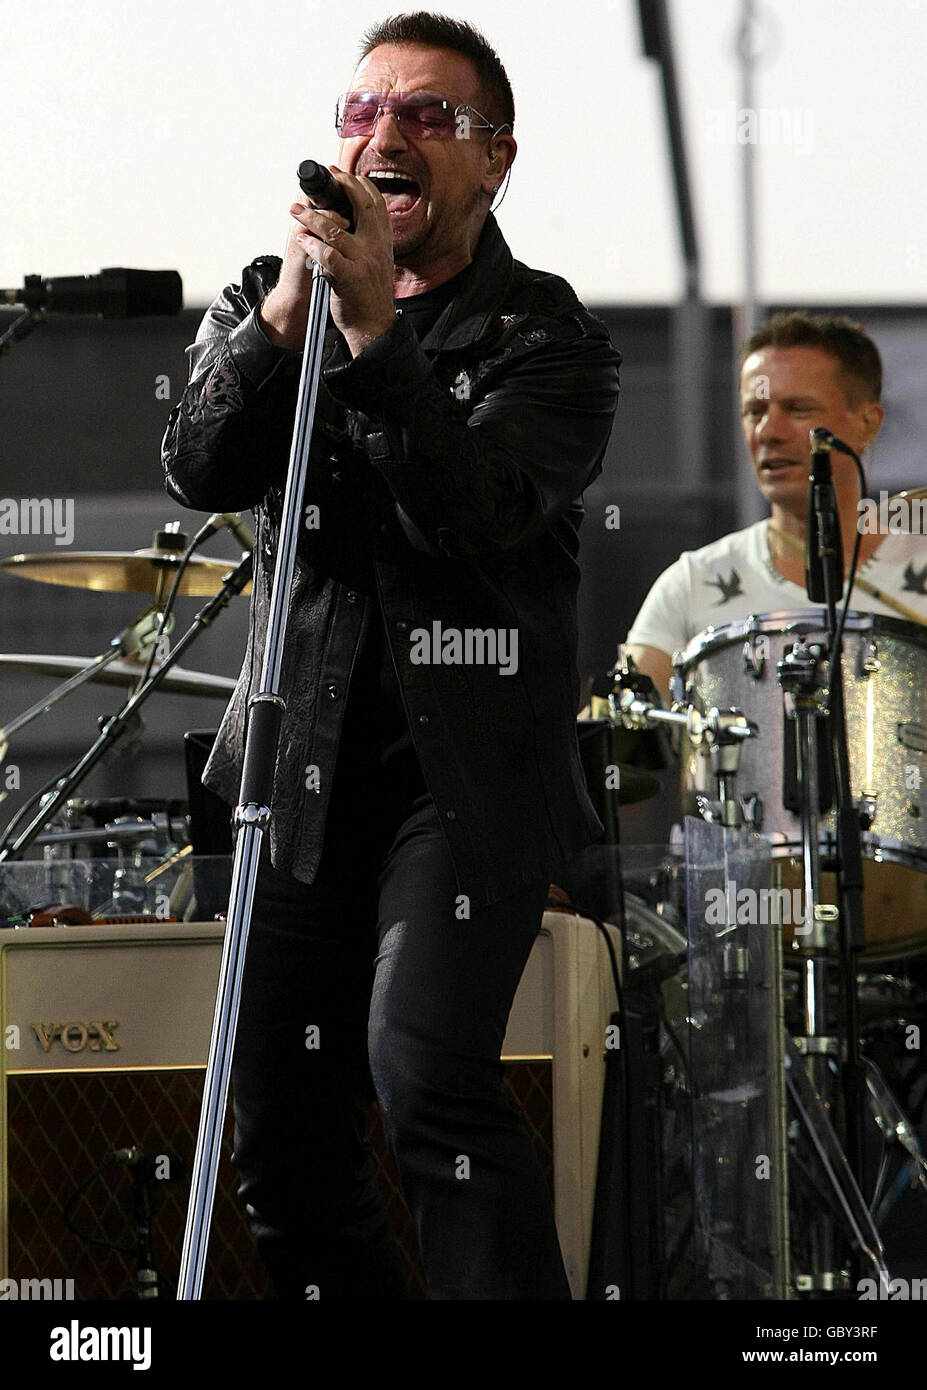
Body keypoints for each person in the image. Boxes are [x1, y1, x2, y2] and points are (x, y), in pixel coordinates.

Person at [161, 12, 620, 1300]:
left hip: (461, 779)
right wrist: (291, 317)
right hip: (299, 762)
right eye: (364, 113)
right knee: (281, 1128)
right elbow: (201, 462)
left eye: (428, 117)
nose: (386, 137)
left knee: (423, 1076)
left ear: (494, 160)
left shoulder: (550, 339)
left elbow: (467, 512)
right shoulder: (275, 292)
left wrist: (376, 340)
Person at [625, 312, 926, 698]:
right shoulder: (693, 583)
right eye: (755, 411)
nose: (769, 432)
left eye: (798, 409)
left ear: (868, 423)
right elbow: (621, 733)